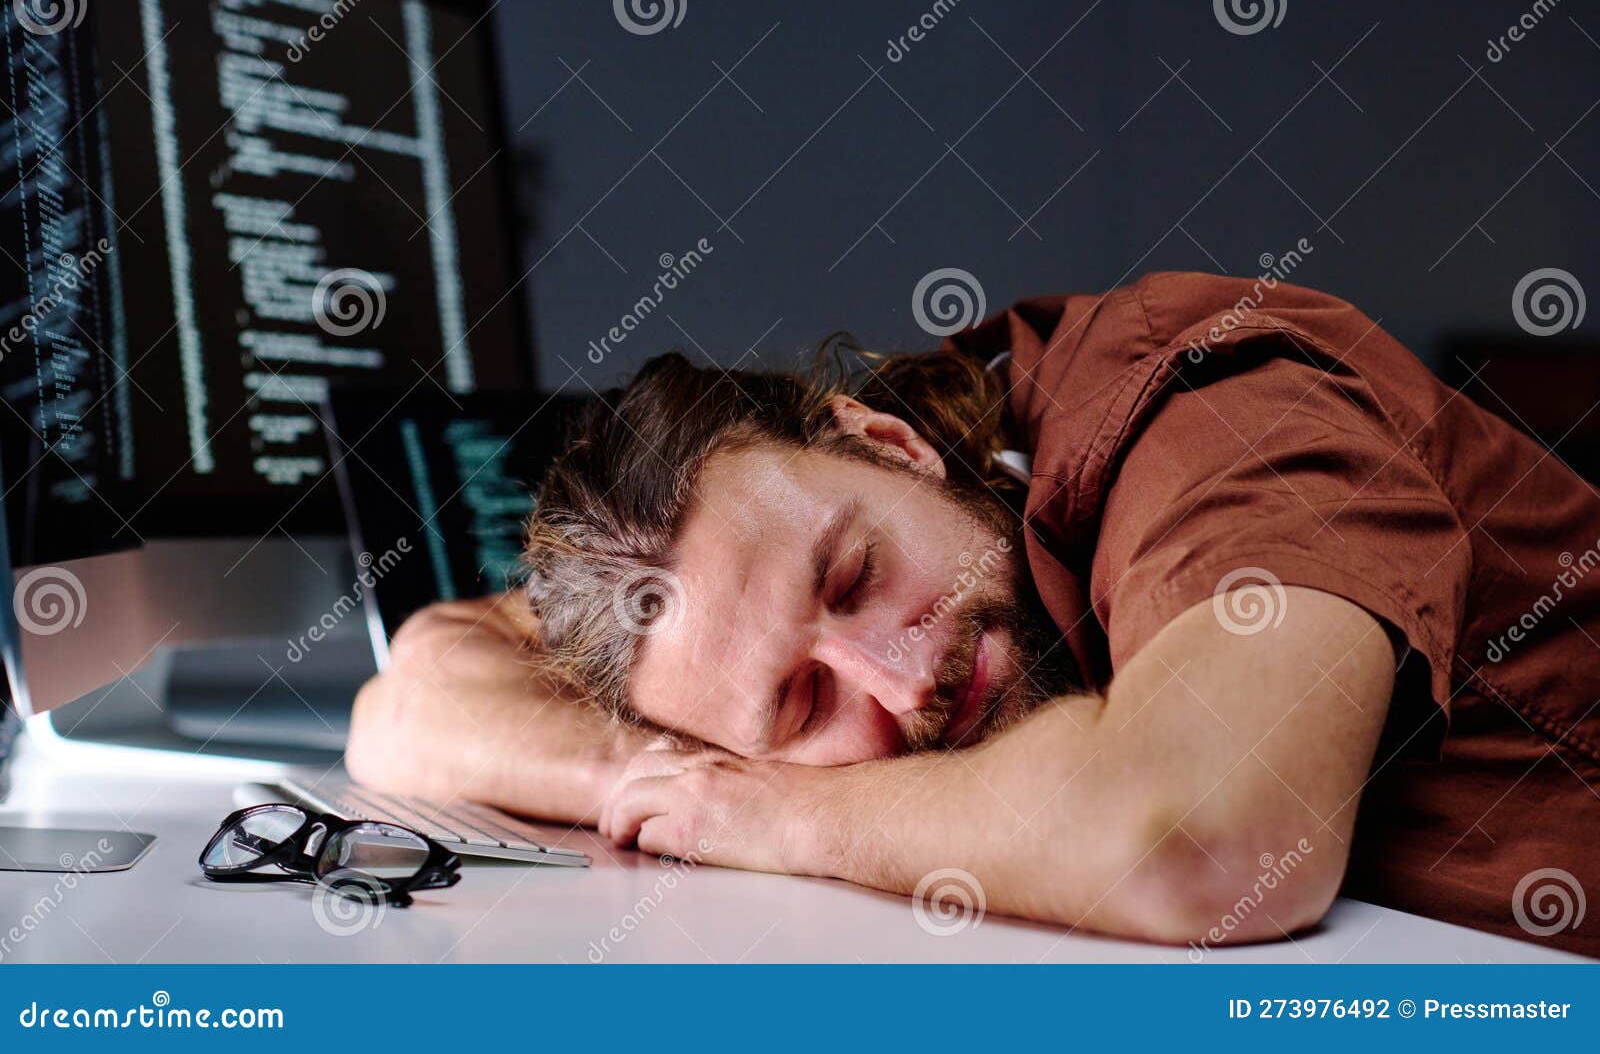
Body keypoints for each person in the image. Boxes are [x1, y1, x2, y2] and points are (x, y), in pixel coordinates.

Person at [347, 271, 1600, 957]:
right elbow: (414, 685)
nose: (899, 681)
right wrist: (648, 769)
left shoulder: (1206, 404)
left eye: (849, 581)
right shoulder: (734, 585)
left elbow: (1201, 846)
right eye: (798, 701)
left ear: (889, 440)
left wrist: (751, 802)